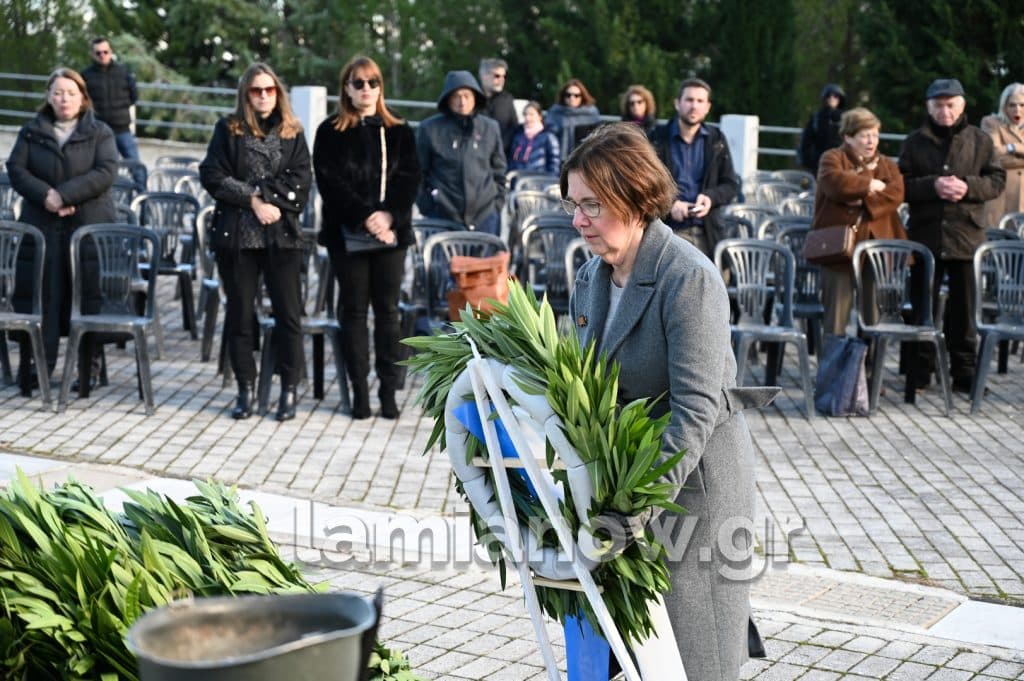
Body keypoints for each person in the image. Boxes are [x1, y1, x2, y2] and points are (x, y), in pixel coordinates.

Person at [565, 123, 770, 681]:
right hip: (626, 489)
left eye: (591, 205)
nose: (578, 220)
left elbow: (693, 413)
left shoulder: (688, 278)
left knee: (697, 656)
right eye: (573, 204)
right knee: (632, 656)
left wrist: (634, 510)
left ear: (634, 197)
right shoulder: (590, 277)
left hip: (692, 488)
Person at [199, 63, 311, 421]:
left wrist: (265, 197)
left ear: (278, 92)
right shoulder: (228, 129)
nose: (263, 96)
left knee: (288, 315)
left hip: (282, 236)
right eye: (256, 90)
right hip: (238, 238)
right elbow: (211, 175)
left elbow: (301, 183)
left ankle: (289, 388)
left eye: (269, 89)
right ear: (245, 94)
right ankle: (245, 388)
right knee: (240, 316)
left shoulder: (293, 132)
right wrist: (253, 201)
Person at [313, 56, 421, 420]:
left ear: (380, 87)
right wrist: (366, 217)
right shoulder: (330, 131)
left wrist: (389, 215)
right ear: (346, 87)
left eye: (372, 82)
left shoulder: (400, 129)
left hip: (391, 235)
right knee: (354, 312)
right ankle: (359, 390)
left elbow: (410, 177)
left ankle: (388, 390)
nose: (366, 89)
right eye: (358, 83)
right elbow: (330, 182)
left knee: (388, 312)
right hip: (347, 236)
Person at [6, 67, 117, 390]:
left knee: (87, 296)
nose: (64, 98)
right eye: (57, 92)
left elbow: (106, 171)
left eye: (70, 92)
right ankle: (37, 365)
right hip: (43, 225)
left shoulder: (100, 132)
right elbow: (16, 168)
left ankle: (89, 367)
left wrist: (65, 196)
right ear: (48, 96)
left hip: (86, 225)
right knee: (42, 295)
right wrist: (47, 197)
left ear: (82, 97)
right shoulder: (31, 131)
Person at [899, 78, 1005, 393]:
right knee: (922, 306)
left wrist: (968, 187)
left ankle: (964, 373)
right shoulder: (914, 142)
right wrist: (932, 185)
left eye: (950, 105)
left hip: (966, 235)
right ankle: (920, 371)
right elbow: (900, 185)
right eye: (938, 105)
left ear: (962, 106)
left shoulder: (981, 140)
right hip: (925, 235)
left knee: (964, 311)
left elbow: (996, 180)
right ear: (928, 106)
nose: (944, 111)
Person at [812, 107, 906, 337]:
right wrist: (869, 185)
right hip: (838, 248)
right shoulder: (832, 158)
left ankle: (870, 358)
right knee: (836, 316)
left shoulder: (886, 164)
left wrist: (860, 198)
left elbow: (896, 194)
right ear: (848, 137)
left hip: (876, 247)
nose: (871, 141)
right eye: (864, 135)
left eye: (875, 135)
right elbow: (835, 184)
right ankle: (834, 359)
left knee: (873, 314)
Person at [649, 77, 740, 258]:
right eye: (689, 100)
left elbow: (730, 185)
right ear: (677, 103)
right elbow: (644, 185)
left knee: (720, 275)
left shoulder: (717, 139)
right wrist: (670, 205)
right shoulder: (657, 137)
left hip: (708, 231)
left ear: (708, 107)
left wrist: (710, 197)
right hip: (668, 230)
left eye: (700, 101)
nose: (694, 106)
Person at [415, 70, 506, 235]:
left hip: (485, 216)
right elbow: (418, 172)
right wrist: (427, 206)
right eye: (456, 96)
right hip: (441, 216)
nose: (462, 102)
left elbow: (499, 171)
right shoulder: (429, 129)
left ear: (475, 97)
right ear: (448, 99)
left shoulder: (490, 128)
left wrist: (496, 205)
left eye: (467, 96)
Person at [80, 37, 145, 188]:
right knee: (106, 171)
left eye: (105, 52)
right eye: (98, 53)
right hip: (99, 131)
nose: (102, 55)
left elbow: (134, 96)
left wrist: (120, 109)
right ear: (92, 54)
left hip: (122, 129)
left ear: (111, 52)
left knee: (137, 168)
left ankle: (142, 198)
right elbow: (81, 101)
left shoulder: (123, 72)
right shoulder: (85, 75)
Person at [980, 83, 1024, 228]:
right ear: (1004, 106)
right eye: (1012, 105)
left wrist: (1011, 147)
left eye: (1022, 105)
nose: (1017, 109)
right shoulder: (991, 122)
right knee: (999, 237)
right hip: (1001, 197)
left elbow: (1002, 153)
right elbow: (993, 156)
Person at [544, 78, 602, 156]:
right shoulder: (555, 112)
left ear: (582, 96)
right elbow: (547, 136)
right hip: (556, 156)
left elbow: (597, 138)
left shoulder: (591, 113)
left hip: (583, 156)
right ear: (563, 96)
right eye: (568, 95)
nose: (572, 98)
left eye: (576, 95)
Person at [798, 83, 846, 175]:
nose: (832, 98)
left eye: (835, 96)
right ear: (824, 98)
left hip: (841, 161)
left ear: (840, 98)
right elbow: (806, 140)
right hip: (820, 160)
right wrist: (808, 161)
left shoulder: (847, 117)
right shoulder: (816, 117)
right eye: (828, 95)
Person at [507, 101, 560, 174]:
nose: (527, 118)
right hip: (518, 178)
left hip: (538, 178)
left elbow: (554, 163)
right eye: (525, 114)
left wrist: (551, 179)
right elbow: (511, 160)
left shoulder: (549, 136)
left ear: (540, 116)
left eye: (531, 114)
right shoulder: (518, 135)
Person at [479, 58, 518, 155]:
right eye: (497, 76)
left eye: (504, 76)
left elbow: (513, 128)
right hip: (477, 154)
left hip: (502, 155)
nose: (501, 80)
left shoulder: (507, 99)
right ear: (484, 76)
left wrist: (500, 148)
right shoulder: (472, 100)